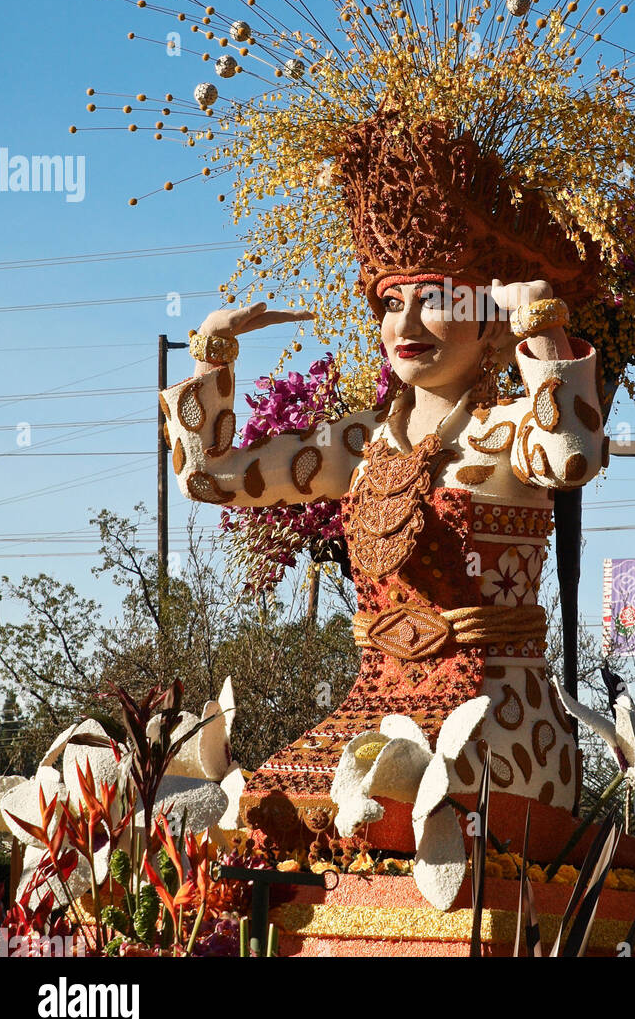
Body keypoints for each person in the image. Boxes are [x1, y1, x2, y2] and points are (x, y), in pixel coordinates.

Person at [160, 107, 610, 852]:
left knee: (391, 804)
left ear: (487, 323)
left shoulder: (508, 433)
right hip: (371, 720)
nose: (406, 322)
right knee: (262, 818)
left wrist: (542, 323)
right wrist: (212, 348)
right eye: (391, 301)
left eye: (434, 299)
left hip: (501, 728)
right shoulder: (359, 441)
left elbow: (571, 457)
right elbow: (208, 479)